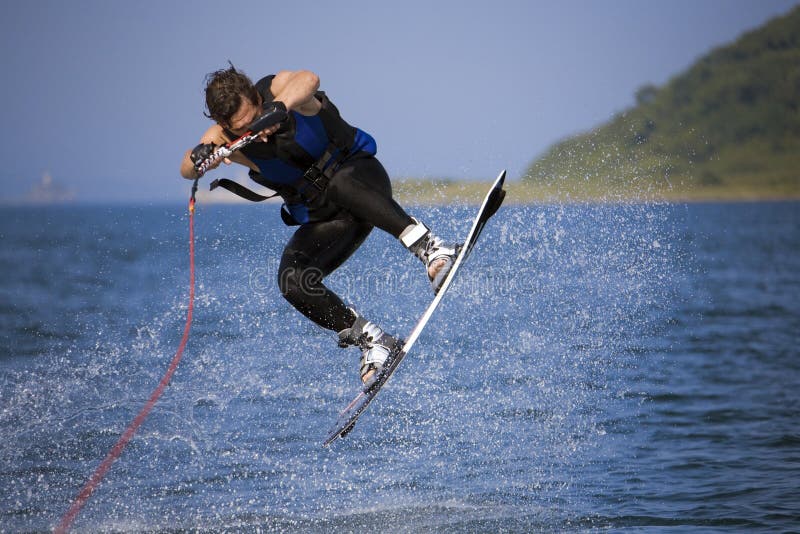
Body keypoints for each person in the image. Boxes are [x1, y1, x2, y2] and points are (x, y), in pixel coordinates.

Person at [180, 65, 459, 386]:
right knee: (291, 280)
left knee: (337, 183)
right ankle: (374, 342)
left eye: (254, 118)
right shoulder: (224, 138)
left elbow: (309, 80)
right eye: (243, 128)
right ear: (225, 125)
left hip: (362, 183)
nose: (255, 130)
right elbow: (187, 166)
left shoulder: (282, 89)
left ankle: (432, 250)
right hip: (332, 219)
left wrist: (278, 109)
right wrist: (204, 156)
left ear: (257, 97)